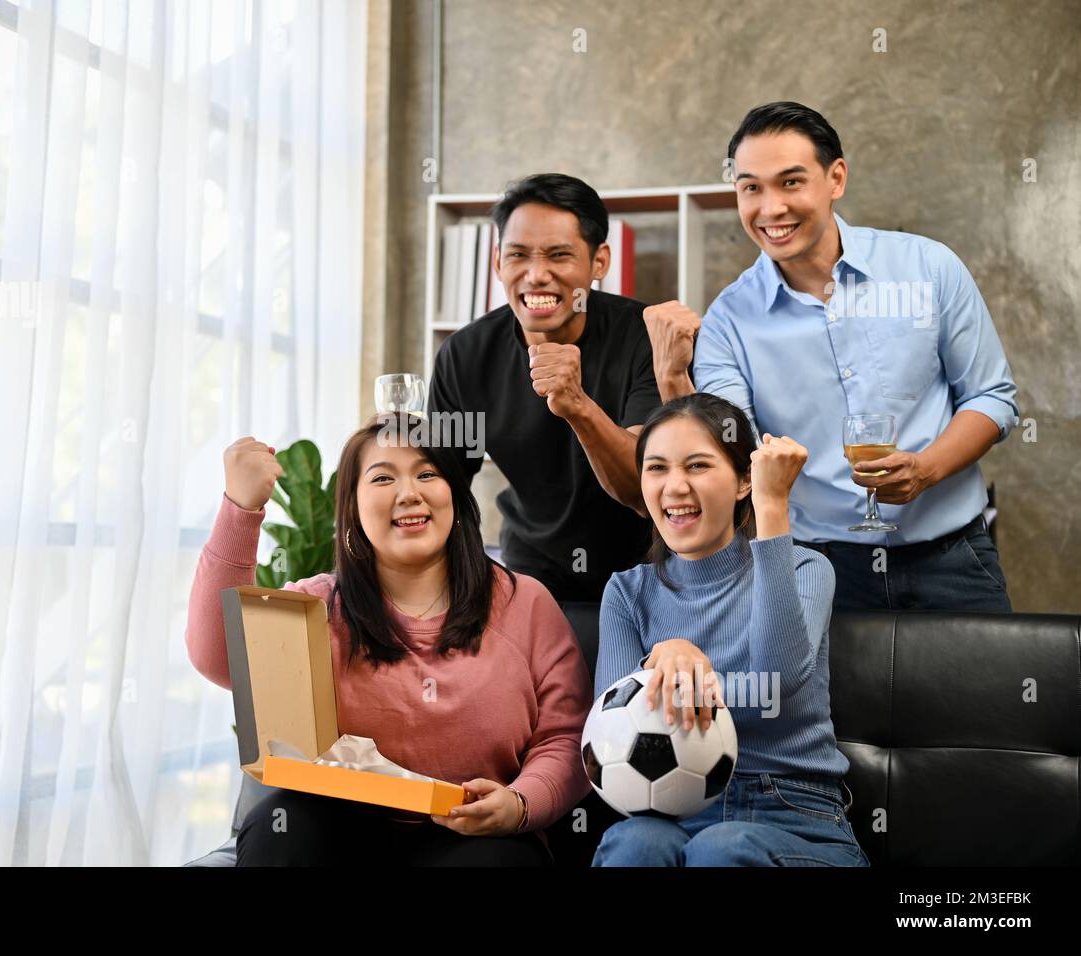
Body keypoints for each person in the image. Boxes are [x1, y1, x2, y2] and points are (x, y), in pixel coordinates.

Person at [643, 102, 1018, 611]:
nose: (771, 208)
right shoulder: (728, 322)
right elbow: (735, 456)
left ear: (835, 178)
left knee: (981, 693)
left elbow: (992, 398)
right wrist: (671, 377)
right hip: (818, 573)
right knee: (827, 697)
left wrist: (926, 470)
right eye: (751, 187)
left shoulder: (928, 268)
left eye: (791, 182)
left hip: (954, 559)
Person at [186, 414, 592, 866]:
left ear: (454, 495)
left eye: (427, 473)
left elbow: (565, 738)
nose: (409, 493)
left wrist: (518, 804)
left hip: (477, 835)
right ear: (353, 508)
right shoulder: (315, 605)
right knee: (278, 824)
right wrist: (241, 510)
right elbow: (220, 658)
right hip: (344, 826)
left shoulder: (525, 602)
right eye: (383, 478)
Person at [592, 393, 867, 867]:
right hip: (674, 811)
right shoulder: (626, 593)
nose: (674, 486)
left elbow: (775, 687)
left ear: (744, 481)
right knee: (632, 844)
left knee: (724, 849)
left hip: (794, 812)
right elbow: (609, 732)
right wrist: (668, 654)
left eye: (697, 466)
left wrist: (773, 503)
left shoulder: (805, 569)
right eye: (656, 468)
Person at [428, 172, 660, 604]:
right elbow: (446, 488)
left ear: (599, 261)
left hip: (647, 573)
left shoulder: (643, 336)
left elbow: (643, 490)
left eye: (559, 255)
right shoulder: (465, 357)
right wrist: (464, 589)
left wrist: (577, 406)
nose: (536, 275)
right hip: (529, 574)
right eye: (518, 255)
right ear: (498, 262)